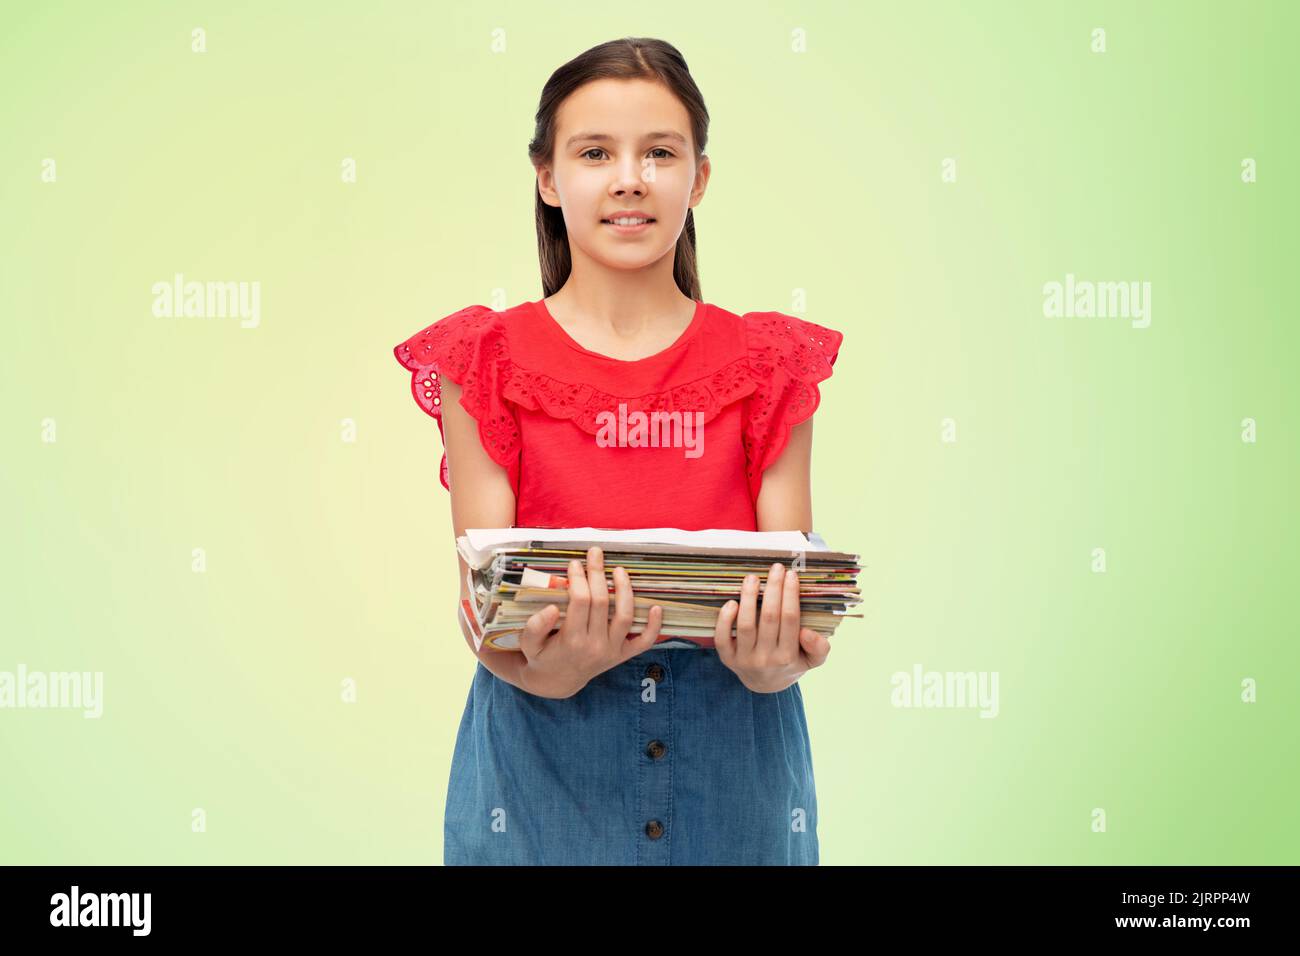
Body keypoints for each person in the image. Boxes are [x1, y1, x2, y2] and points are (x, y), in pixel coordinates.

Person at [391, 37, 844, 865]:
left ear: (698, 178)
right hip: (540, 765)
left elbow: (796, 606)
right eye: (595, 152)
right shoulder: (483, 360)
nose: (629, 178)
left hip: (736, 761)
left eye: (660, 153)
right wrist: (552, 674)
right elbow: (483, 613)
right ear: (548, 177)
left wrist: (774, 663)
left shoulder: (770, 363)